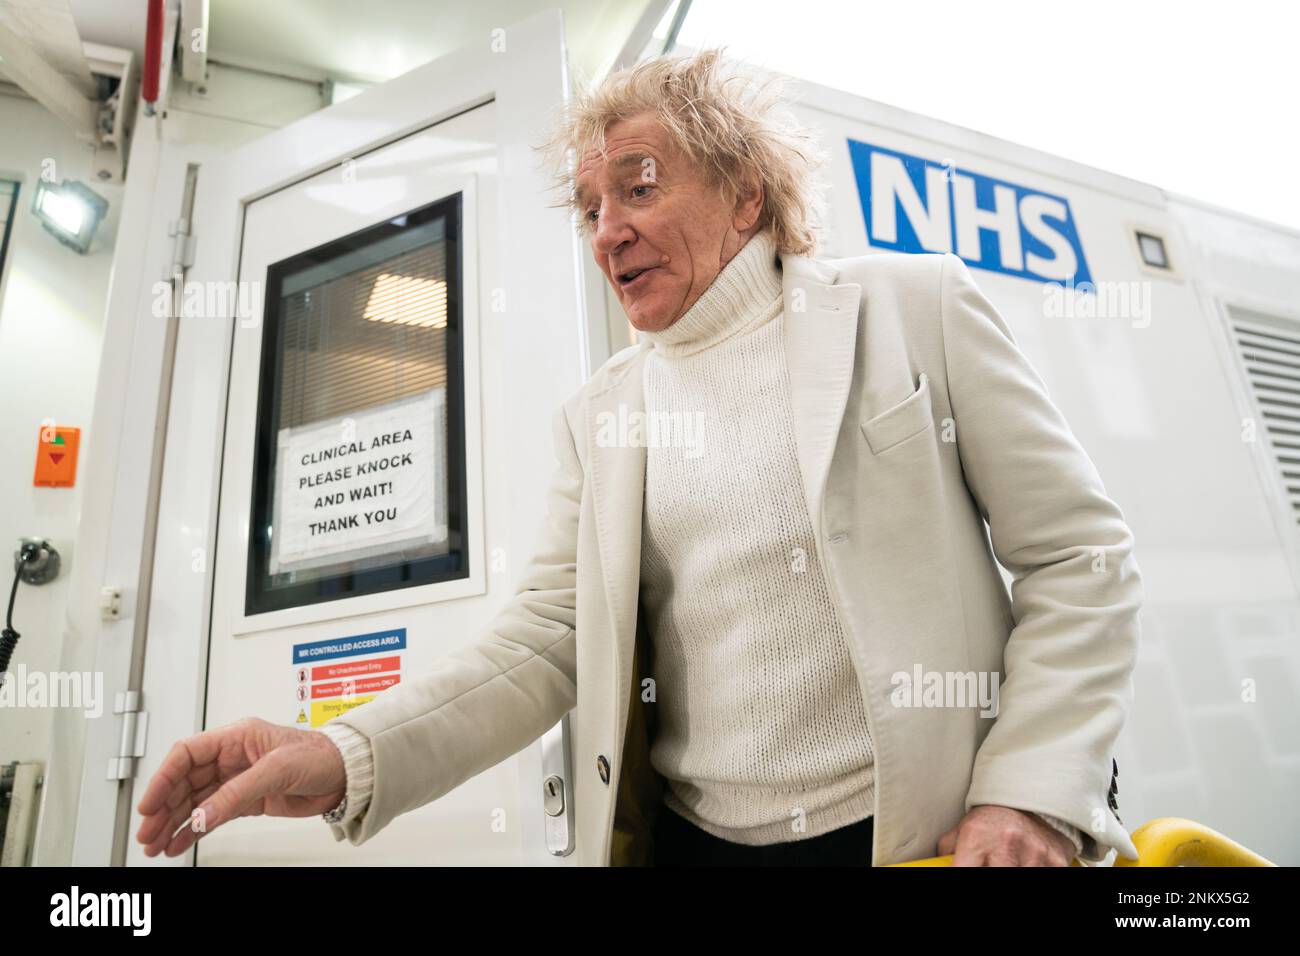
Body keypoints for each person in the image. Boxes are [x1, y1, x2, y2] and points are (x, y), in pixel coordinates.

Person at [136, 49, 1142, 867]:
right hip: (699, 848)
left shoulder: (911, 310)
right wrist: (344, 750)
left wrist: (1029, 788)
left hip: (914, 837)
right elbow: (542, 640)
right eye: (587, 207)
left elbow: (1080, 558)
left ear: (745, 195)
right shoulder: (601, 415)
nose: (606, 231)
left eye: (640, 188)